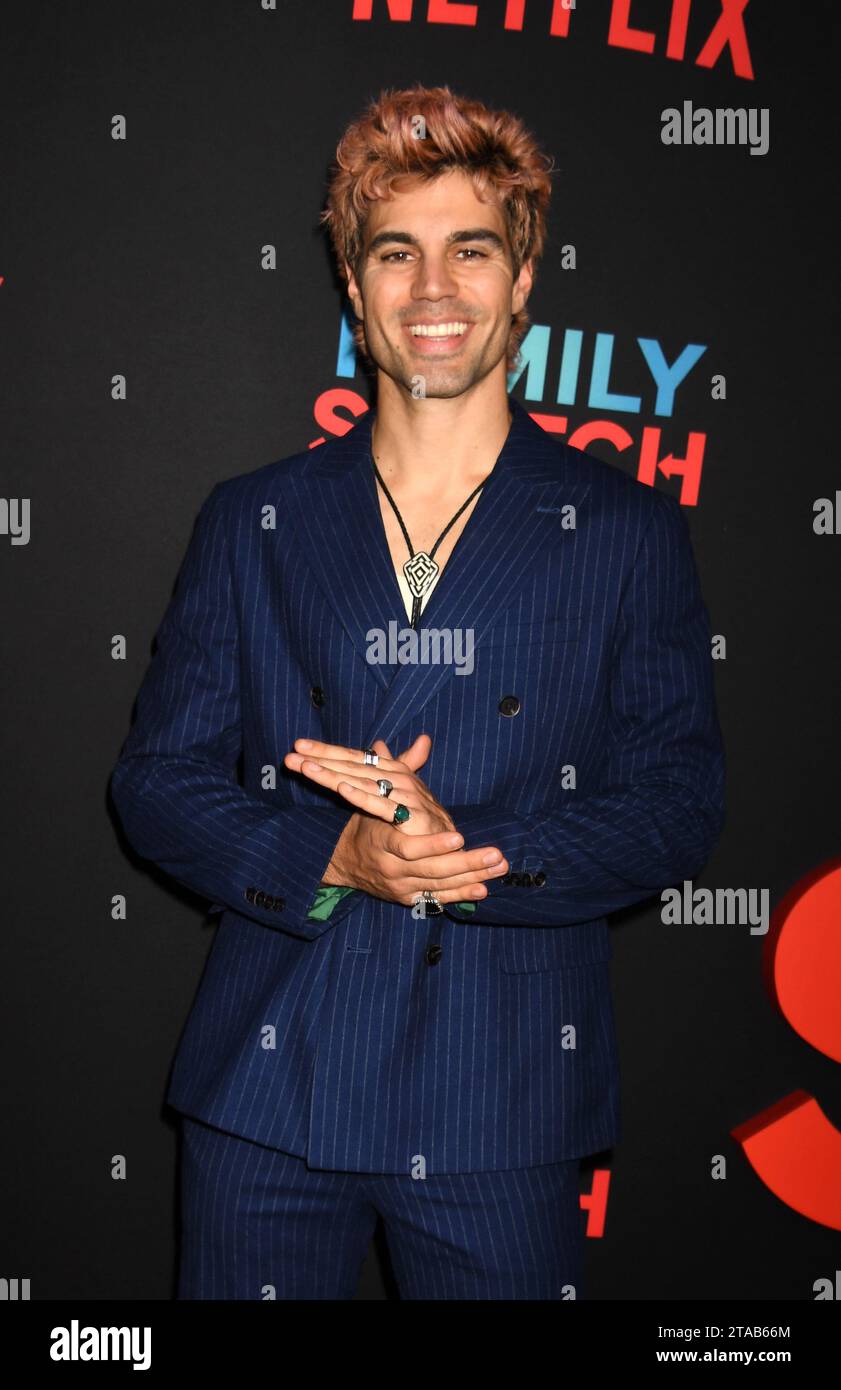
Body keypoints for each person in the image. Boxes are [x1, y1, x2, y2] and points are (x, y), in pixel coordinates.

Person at [110, 83, 725, 1300]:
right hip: (268, 1083)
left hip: (501, 1095)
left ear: (525, 276)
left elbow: (677, 798)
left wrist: (470, 850)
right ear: (352, 281)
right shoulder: (257, 518)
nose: (433, 290)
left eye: (470, 250)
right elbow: (156, 780)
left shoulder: (624, 530)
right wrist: (334, 856)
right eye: (396, 252)